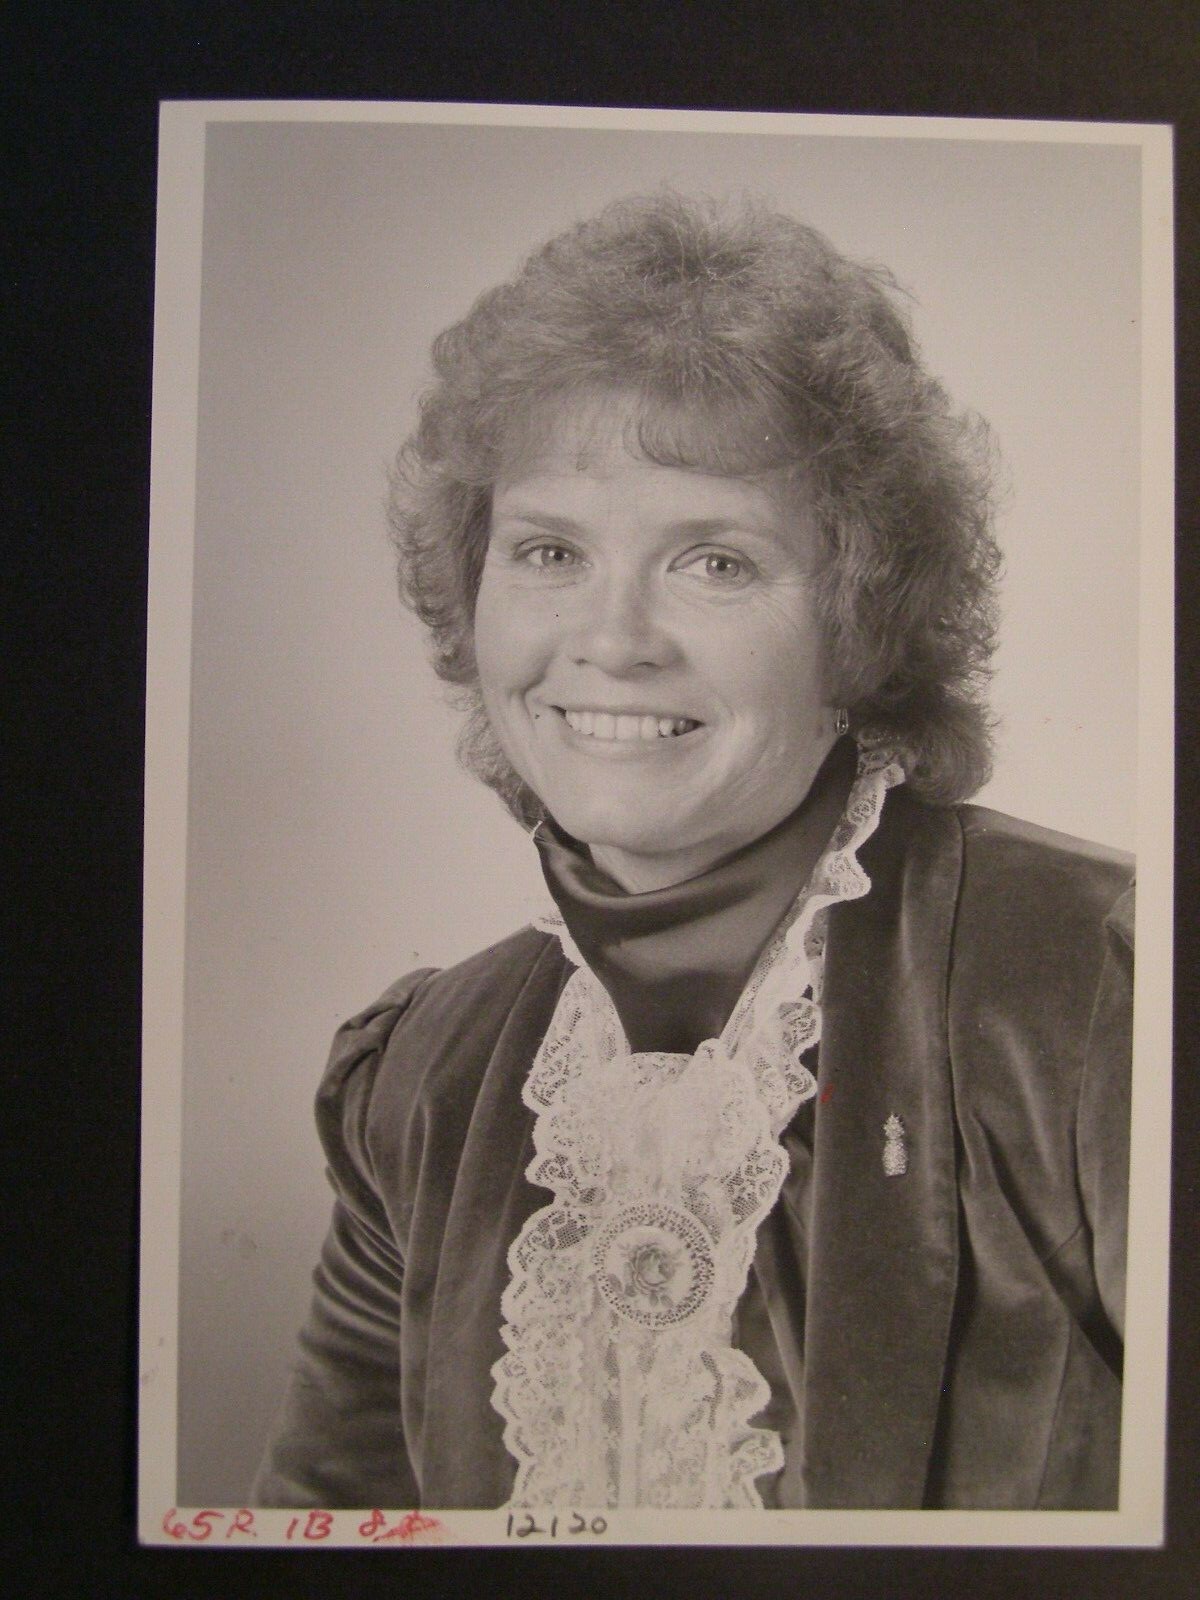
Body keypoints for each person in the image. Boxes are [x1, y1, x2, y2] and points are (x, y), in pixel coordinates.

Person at [252, 193, 1133, 1512]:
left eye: (713, 562)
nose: (613, 640)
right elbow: (319, 1540)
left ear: (856, 616)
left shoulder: (1101, 985)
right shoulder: (422, 1075)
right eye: (548, 549)